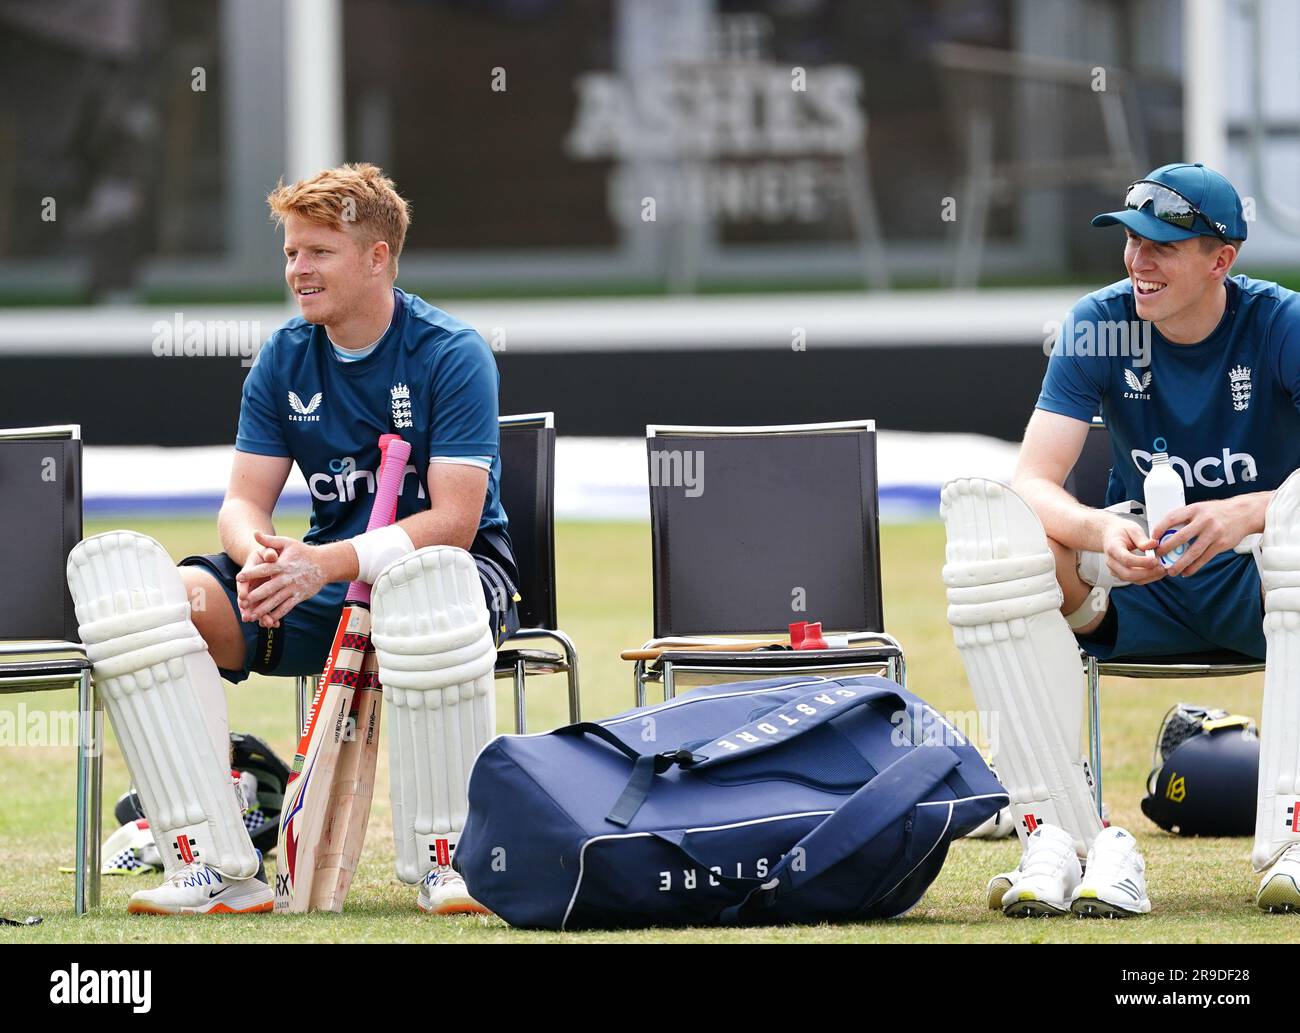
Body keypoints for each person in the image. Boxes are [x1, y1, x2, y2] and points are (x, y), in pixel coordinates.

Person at [66, 163, 519, 916]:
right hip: (323, 579)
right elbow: (241, 505)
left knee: (430, 589)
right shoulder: (283, 357)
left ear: (378, 256)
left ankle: (453, 860)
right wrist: (261, 558)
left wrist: (321, 564)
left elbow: (454, 523)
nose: (297, 270)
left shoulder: (451, 352)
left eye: (319, 252)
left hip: (453, 582)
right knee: (155, 597)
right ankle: (215, 861)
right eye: (290, 253)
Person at [941, 162, 1300, 916]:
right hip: (1138, 590)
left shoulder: (1281, 323)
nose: (1139, 259)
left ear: (1220, 259)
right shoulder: (1097, 321)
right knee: (1004, 542)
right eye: (1133, 239)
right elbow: (1033, 482)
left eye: (1164, 244)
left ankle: (1293, 835)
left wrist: (1244, 512)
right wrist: (1100, 525)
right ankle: (1062, 835)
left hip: (1268, 586)